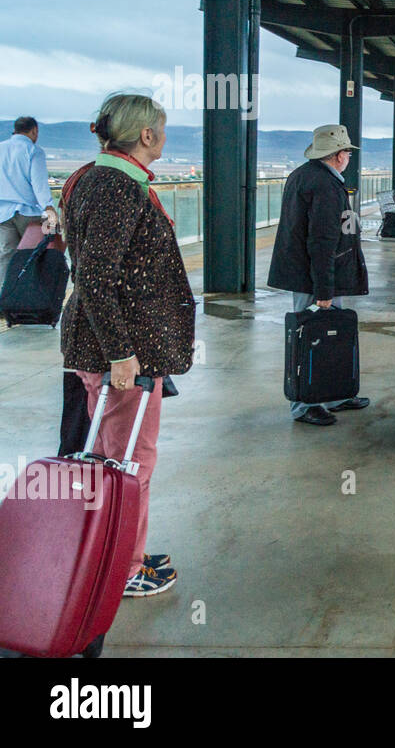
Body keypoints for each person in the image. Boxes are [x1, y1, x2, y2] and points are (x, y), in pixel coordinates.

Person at [60, 93, 195, 598]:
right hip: (119, 354)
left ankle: (114, 552)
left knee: (108, 457)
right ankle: (123, 568)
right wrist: (121, 353)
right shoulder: (119, 187)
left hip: (105, 346)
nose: (164, 135)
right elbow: (95, 276)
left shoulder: (91, 177)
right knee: (129, 461)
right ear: (146, 135)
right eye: (161, 128)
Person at [267, 124, 370, 426]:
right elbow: (322, 241)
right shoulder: (324, 185)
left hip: (310, 273)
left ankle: (334, 393)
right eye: (347, 152)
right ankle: (304, 405)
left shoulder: (303, 175)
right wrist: (324, 289)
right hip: (315, 276)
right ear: (339, 156)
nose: (349, 157)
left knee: (328, 337)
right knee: (309, 336)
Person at [0, 116, 59, 284]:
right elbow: (39, 183)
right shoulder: (33, 150)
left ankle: (5, 300)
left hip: (2, 214)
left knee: (6, 257)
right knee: (32, 256)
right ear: (34, 131)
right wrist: (49, 208)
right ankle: (30, 297)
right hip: (28, 213)